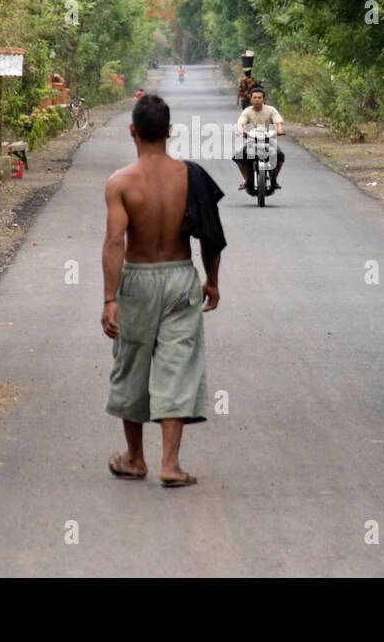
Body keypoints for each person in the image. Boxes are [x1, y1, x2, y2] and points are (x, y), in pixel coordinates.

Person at [102, 94, 226, 488]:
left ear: (133, 131)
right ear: (170, 132)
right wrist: (212, 280)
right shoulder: (191, 177)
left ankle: (134, 459)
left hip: (137, 279)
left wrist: (109, 299)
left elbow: (114, 242)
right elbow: (211, 236)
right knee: (178, 367)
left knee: (131, 365)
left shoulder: (120, 182)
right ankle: (170, 464)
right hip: (179, 279)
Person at [233, 87, 285, 190]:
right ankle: (246, 179)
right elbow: (241, 122)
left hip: (268, 140)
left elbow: (278, 122)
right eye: (255, 97)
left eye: (259, 97)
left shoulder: (271, 110)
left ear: (264, 99)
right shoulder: (247, 111)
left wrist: (279, 129)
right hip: (251, 141)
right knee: (238, 156)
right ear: (251, 99)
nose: (257, 100)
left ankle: (274, 179)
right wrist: (240, 130)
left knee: (279, 155)